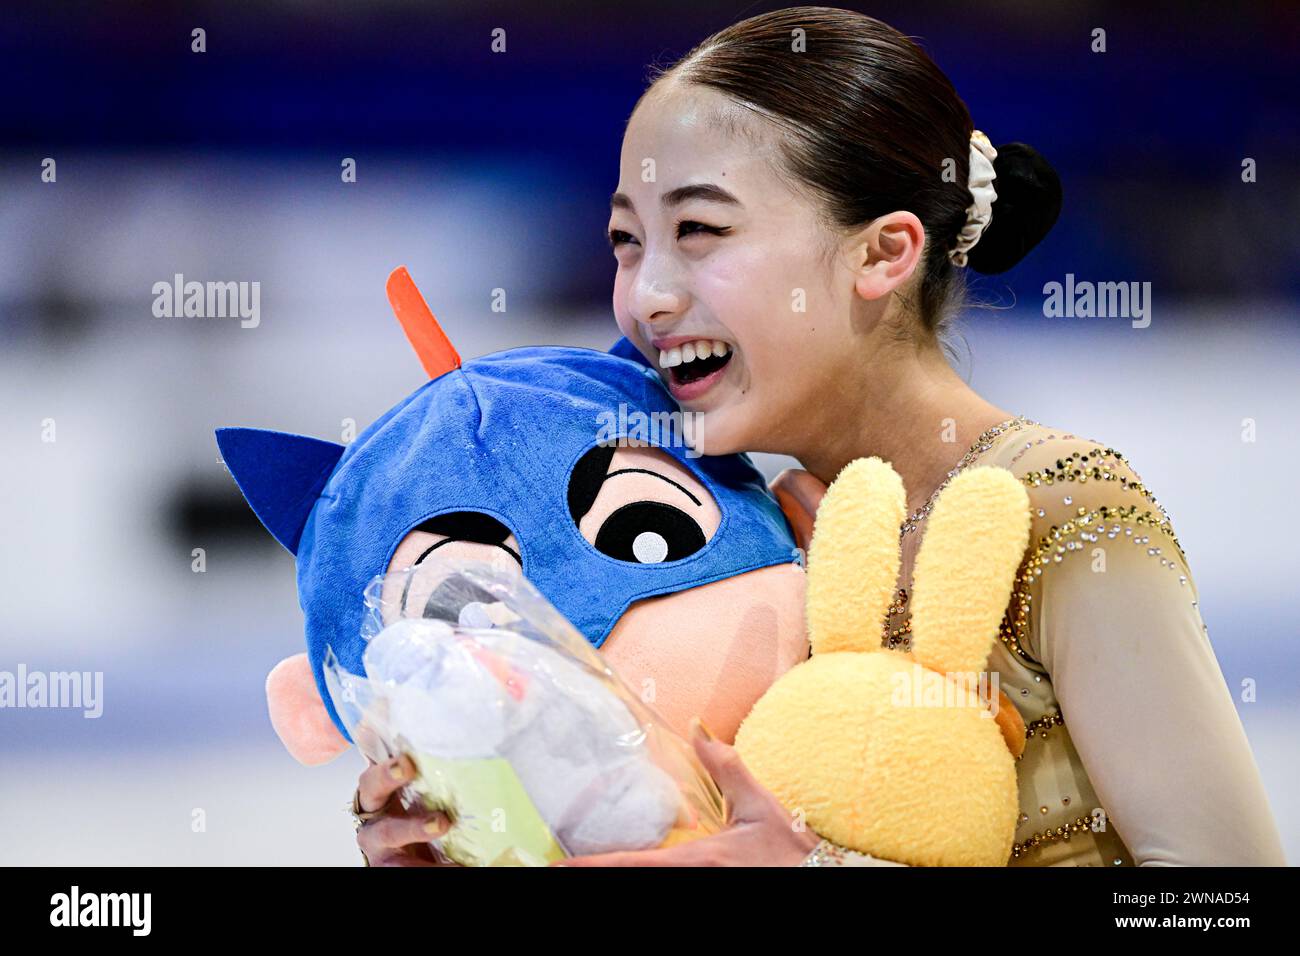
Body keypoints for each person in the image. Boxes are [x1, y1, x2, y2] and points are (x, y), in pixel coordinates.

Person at [356, 7, 1285, 866]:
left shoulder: (1062, 507)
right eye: (627, 240)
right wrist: (482, 839)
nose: (645, 297)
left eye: (700, 230)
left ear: (883, 252)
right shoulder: (730, 544)